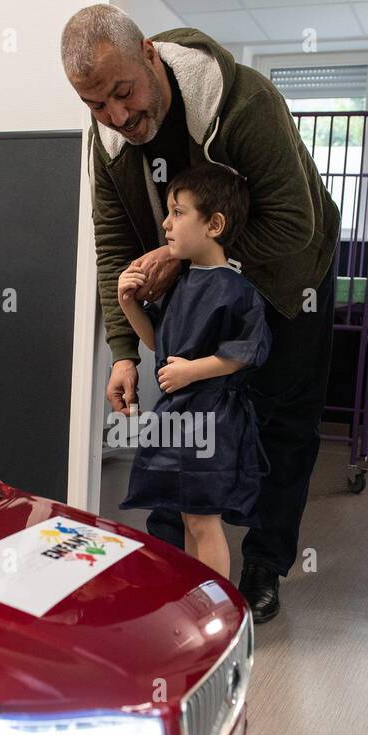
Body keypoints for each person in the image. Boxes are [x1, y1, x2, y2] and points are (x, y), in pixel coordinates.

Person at [62, 5, 340, 622]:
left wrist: (176, 255)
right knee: (183, 421)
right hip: (194, 282)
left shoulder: (244, 104)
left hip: (291, 279)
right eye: (95, 104)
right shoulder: (107, 144)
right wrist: (125, 353)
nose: (117, 116)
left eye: (123, 92)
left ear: (151, 57)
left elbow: (295, 224)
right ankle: (171, 564)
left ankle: (265, 567)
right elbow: (113, 250)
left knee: (279, 428)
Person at [117, 164, 269, 578]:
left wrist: (192, 372)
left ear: (214, 224)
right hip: (179, 416)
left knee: (203, 518)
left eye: (178, 212)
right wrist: (129, 303)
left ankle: (218, 605)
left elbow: (247, 352)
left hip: (214, 418)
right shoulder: (181, 284)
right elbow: (156, 342)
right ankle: (196, 595)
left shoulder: (235, 289)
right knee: (187, 515)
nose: (166, 223)